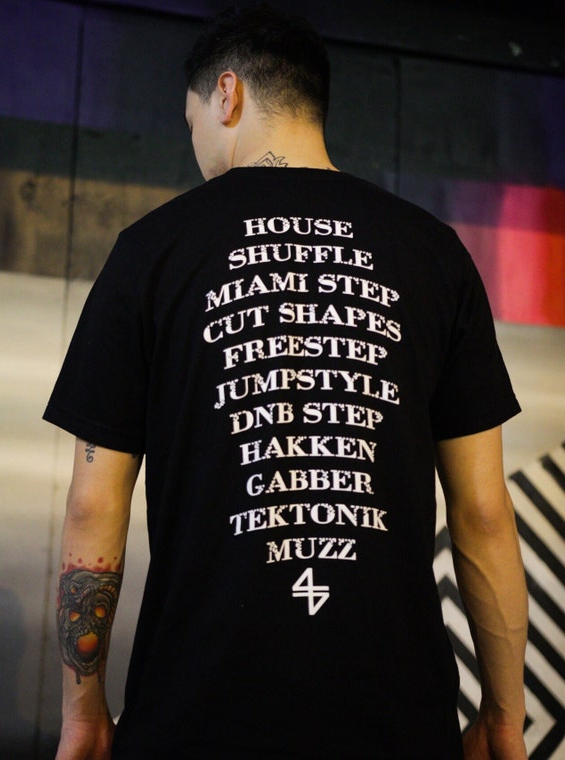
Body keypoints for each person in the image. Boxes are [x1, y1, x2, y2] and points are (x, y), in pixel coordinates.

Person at [44, 6, 529, 759]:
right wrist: (504, 716)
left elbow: (92, 503)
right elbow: (484, 514)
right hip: (396, 721)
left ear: (227, 95)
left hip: (196, 717)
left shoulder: (150, 252)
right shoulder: (434, 254)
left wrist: (83, 712)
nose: (196, 145)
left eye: (192, 121)